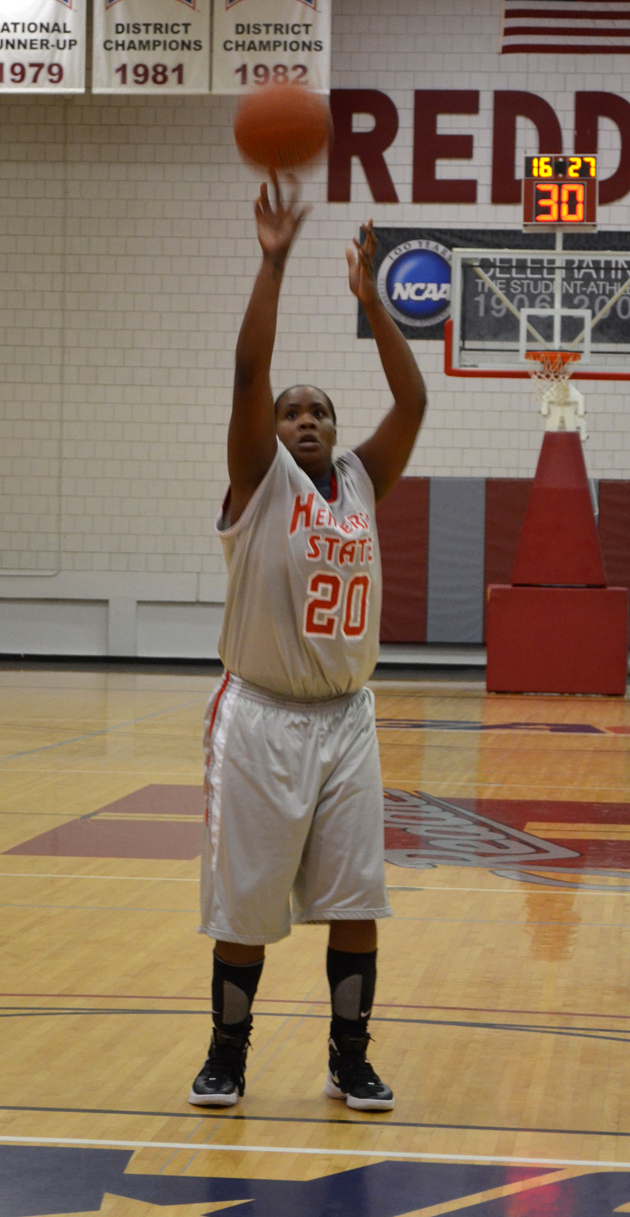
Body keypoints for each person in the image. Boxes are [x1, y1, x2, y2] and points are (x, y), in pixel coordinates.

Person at [189, 175, 426, 1112]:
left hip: (348, 718)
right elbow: (249, 372)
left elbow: (413, 401)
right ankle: (227, 1056)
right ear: (275, 431)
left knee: (356, 899)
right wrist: (274, 264)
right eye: (294, 412)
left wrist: (374, 304)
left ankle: (349, 1057)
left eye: (320, 410)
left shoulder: (361, 480)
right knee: (246, 904)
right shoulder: (260, 480)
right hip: (261, 717)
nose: (307, 420)